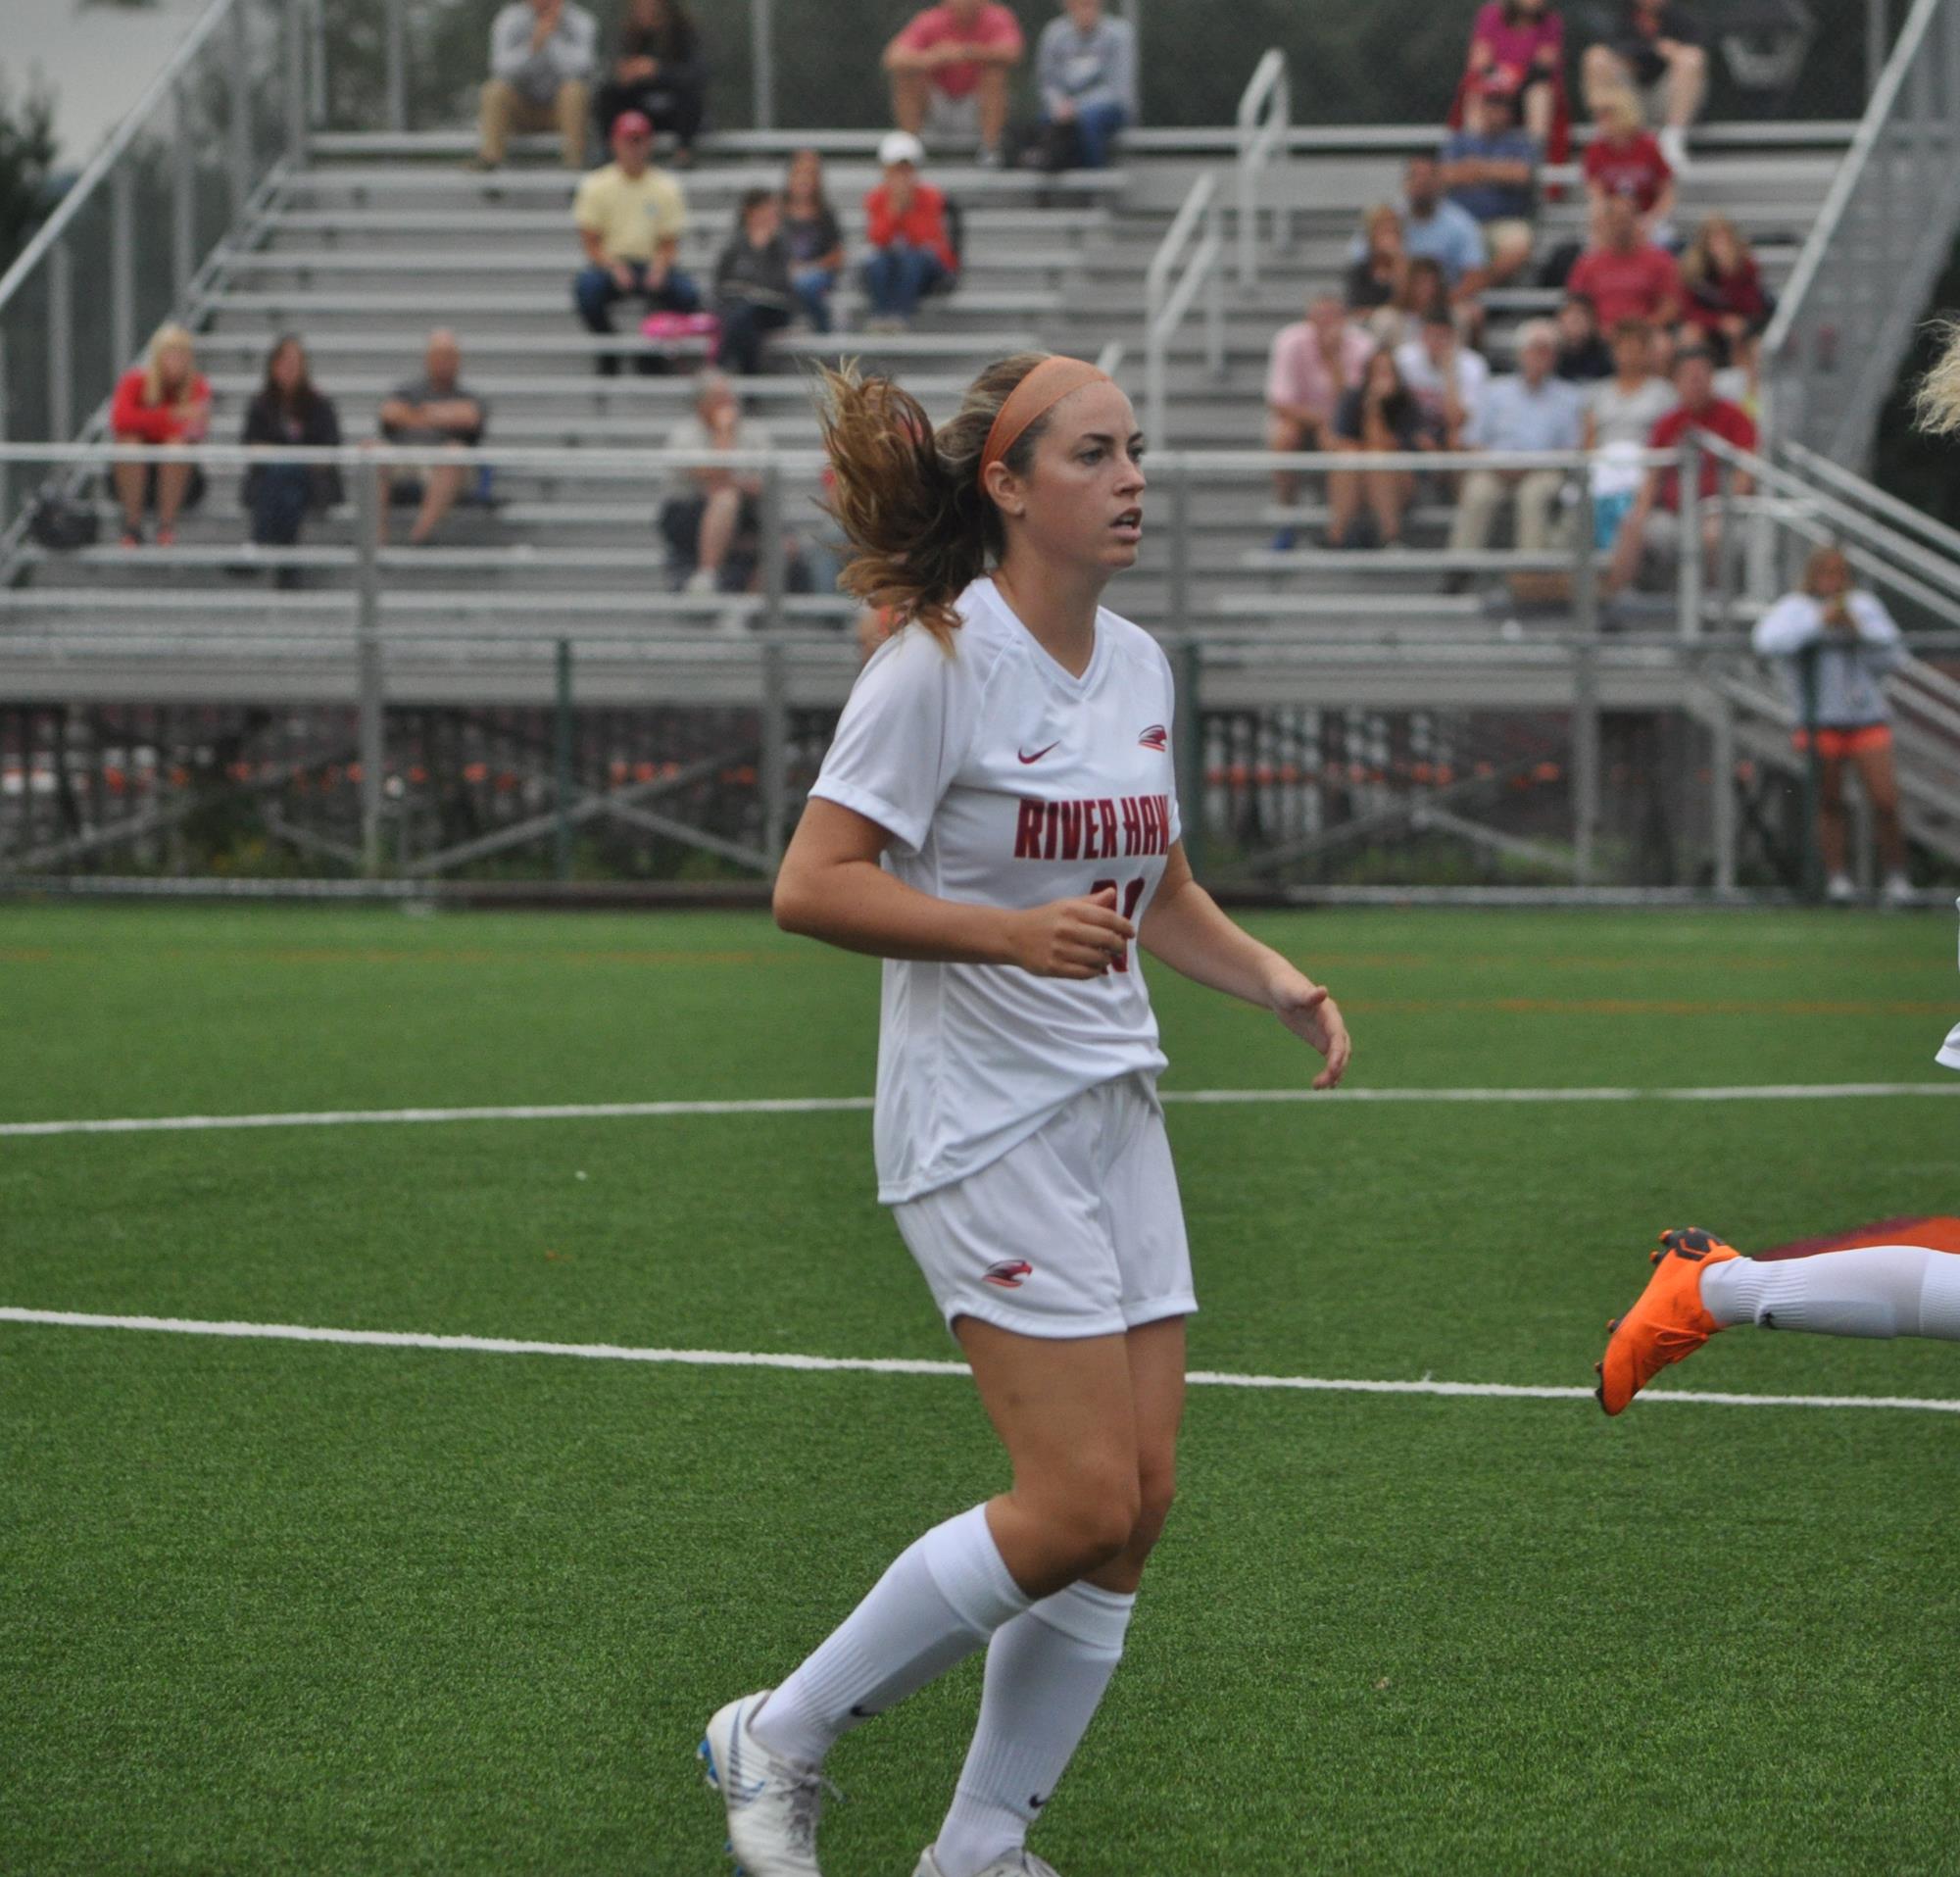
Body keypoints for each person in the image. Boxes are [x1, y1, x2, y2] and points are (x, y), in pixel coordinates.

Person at [699, 348, 1352, 1877]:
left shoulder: (1137, 663)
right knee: (1068, 1500)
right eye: (1092, 453)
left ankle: (979, 1847)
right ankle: (777, 1730)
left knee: (1139, 1503)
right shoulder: (935, 659)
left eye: (1136, 450)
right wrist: (1004, 929)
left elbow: (1157, 882)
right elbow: (811, 884)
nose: (1131, 478)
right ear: (1004, 482)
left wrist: (1267, 977)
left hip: (1112, 1105)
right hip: (978, 1123)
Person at [1750, 546, 1911, 905]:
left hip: (1866, 717)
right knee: (1830, 800)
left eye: (1838, 572)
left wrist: (1858, 629)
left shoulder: (1864, 606)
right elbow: (1766, 642)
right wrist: (1818, 623)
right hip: (1819, 720)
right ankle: (1838, 880)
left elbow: (1896, 656)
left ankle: (1897, 878)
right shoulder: (1795, 609)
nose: (1831, 579)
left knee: (1885, 800)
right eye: (1824, 571)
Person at [1606, 343, 1753, 594]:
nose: (1696, 383)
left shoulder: (1734, 417)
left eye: (1702, 376)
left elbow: (1746, 471)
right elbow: (1652, 475)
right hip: (1675, 514)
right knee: (1632, 525)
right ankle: (1614, 601)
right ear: (1677, 382)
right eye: (1689, 377)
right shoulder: (1669, 422)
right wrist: (1640, 513)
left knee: (1712, 535)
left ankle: (1710, 608)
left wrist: (1722, 505)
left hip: (1719, 511)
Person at [1446, 319, 1585, 569]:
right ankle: (1459, 569)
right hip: (1496, 467)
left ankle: (1530, 572)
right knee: (1477, 493)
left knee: (1533, 496)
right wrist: (1497, 464)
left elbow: (1572, 448)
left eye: (1547, 351)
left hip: (1544, 470)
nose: (1540, 357)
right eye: (1535, 350)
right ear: (1522, 353)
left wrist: (1531, 465)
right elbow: (1474, 440)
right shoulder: (1495, 391)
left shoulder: (1569, 397)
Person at [571, 110, 700, 375]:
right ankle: (608, 345)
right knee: (586, 288)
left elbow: (669, 242)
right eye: (629, 141)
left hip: (650, 263)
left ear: (649, 144)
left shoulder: (665, 186)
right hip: (612, 263)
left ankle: (654, 346)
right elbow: (591, 244)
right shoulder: (596, 185)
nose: (634, 148)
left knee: (688, 294)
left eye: (639, 140)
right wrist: (613, 266)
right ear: (615, 143)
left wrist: (660, 266)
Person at [1265, 294, 1374, 544]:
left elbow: (1354, 405)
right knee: (1283, 436)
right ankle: (1287, 515)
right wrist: (1321, 421)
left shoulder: (1362, 346)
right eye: (1320, 317)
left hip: (1347, 423)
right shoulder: (1289, 341)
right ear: (1309, 320)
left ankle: (1346, 526)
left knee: (1345, 447)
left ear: (1344, 319)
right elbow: (1280, 402)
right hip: (1305, 420)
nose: (1327, 324)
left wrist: (1334, 359)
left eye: (1333, 317)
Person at [658, 369, 775, 594]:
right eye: (720, 398)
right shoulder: (683, 434)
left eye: (730, 397)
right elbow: (713, 475)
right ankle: (707, 575)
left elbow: (761, 485)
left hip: (747, 510)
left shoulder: (754, 432)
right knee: (725, 499)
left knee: (783, 546)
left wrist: (729, 483)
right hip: (687, 512)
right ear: (701, 404)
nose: (730, 403)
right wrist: (723, 432)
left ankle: (746, 611)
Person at [238, 336, 343, 570]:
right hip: (272, 484)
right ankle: (289, 563)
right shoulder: (261, 404)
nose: (290, 369)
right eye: (284, 362)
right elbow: (250, 446)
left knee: (286, 473)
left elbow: (329, 451)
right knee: (288, 491)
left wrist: (286, 457)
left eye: (295, 363)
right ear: (273, 366)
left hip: (314, 483)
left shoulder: (320, 404)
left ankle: (258, 541)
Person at [376, 329, 489, 546]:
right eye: (438, 355)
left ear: (457, 360)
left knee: (454, 453)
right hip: (407, 459)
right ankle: (375, 541)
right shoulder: (409, 390)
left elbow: (471, 416)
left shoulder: (468, 395)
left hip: (446, 468)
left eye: (449, 356)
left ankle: (418, 536)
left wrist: (418, 414)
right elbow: (389, 413)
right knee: (372, 451)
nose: (443, 362)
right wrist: (443, 415)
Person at [884, 0, 1026, 168]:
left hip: (978, 109)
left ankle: (990, 149)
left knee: (994, 73)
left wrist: (969, 52)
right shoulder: (930, 20)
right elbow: (892, 58)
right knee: (907, 76)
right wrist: (933, 58)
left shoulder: (997, 17)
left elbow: (1014, 53)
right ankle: (910, 149)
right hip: (936, 106)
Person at [110, 323, 211, 548]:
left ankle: (166, 526)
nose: (175, 361)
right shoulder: (135, 382)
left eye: (181, 355)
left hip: (181, 475)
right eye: (169, 354)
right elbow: (120, 420)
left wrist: (150, 422)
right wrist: (173, 416)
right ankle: (132, 526)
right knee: (130, 445)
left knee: (175, 447)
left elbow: (196, 430)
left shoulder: (197, 386)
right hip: (134, 472)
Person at [1581, 0, 1706, 173]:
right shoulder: (1620, 15)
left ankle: (1672, 139)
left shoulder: (1680, 16)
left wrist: (1673, 51)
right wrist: (1649, 49)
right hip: (1628, 99)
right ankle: (1607, 137)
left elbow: (1697, 49)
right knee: (1596, 57)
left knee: (1692, 58)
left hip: (1665, 101)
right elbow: (1611, 46)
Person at [1327, 345, 1430, 550]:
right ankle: (1336, 536)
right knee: (1349, 458)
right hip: (1359, 480)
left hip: (1400, 482)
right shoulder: (1353, 400)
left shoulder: (1406, 404)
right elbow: (1342, 443)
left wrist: (1374, 408)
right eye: (1377, 372)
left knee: (1379, 459)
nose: (1382, 378)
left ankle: (1391, 537)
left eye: (1387, 372)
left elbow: (1385, 444)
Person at [1582, 318, 1673, 546]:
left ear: (1646, 353)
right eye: (1623, 349)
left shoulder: (1662, 393)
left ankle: (1619, 563)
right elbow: (1589, 439)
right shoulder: (1599, 392)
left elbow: (1666, 438)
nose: (1629, 356)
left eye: (1635, 349)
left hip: (1643, 470)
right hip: (1603, 467)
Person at [1439, 82, 1541, 289]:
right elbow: (1446, 175)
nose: (1496, 111)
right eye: (1491, 104)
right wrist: (1498, 172)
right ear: (1480, 107)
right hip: (1462, 221)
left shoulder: (1520, 142)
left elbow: (1521, 174)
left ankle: (1475, 287)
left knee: (1519, 243)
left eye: (1502, 105)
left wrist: (1477, 169)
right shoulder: (1461, 141)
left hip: (1505, 221)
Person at [477, 0, 597, 170]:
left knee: (575, 91)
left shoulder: (581, 21)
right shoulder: (509, 19)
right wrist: (532, 48)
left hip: (562, 114)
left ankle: (575, 165)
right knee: (494, 91)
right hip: (522, 111)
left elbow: (582, 69)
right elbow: (500, 68)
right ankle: (489, 162)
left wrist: (551, 39)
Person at [1353, 156, 1490, 303]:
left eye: (1428, 177)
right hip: (1392, 302)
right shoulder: (1388, 218)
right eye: (1415, 176)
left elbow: (1475, 275)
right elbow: (1358, 259)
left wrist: (1441, 307)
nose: (1421, 182)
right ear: (1405, 182)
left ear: (1440, 181)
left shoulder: (1461, 224)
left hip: (1445, 302)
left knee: (1468, 314)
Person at [860, 130, 958, 332]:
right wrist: (894, 210)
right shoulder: (877, 198)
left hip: (926, 265)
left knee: (912, 258)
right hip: (892, 261)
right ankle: (880, 315)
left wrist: (908, 208)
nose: (902, 177)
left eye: (906, 170)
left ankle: (900, 316)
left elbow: (925, 238)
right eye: (896, 170)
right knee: (878, 262)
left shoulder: (930, 197)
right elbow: (878, 238)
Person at [593, 0, 705, 163]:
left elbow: (697, 74)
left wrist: (657, 71)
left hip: (675, 111)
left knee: (690, 94)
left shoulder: (684, 32)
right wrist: (625, 74)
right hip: (641, 109)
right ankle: (612, 152)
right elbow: (608, 71)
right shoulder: (628, 34)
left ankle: (684, 153)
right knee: (608, 94)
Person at [1034, 0, 1137, 172]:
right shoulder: (1054, 33)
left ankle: (1095, 184)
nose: (1084, 8)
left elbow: (1119, 90)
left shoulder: (1119, 33)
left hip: (1109, 108)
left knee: (1088, 122)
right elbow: (1047, 81)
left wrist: (1078, 107)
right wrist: (1058, 104)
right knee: (1045, 123)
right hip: (1064, 109)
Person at [1565, 191, 1683, 330]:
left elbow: (1671, 306)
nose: (1620, 227)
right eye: (1615, 221)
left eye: (1625, 220)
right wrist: (1598, 331)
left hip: (1647, 335)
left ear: (1636, 220)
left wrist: (1641, 331)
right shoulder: (1587, 264)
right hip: (1598, 337)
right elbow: (1576, 305)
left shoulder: (1660, 260)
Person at [714, 188, 795, 375]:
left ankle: (718, 366)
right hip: (741, 311)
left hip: (774, 309)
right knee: (744, 321)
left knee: (743, 315)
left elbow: (780, 285)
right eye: (765, 209)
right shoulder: (734, 245)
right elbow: (720, 284)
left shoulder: (781, 245)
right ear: (750, 212)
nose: (770, 215)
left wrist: (765, 248)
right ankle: (750, 382)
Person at [1582, 85, 1675, 244]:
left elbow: (1666, 193)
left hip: (1646, 216)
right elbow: (1597, 196)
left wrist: (1650, 220)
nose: (1600, 121)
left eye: (1606, 115)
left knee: (1663, 240)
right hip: (1613, 218)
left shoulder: (1648, 145)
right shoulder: (1596, 149)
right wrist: (1608, 222)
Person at [1464, 0, 1564, 145]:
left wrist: (1513, 78)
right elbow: (1479, 60)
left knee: (1540, 94)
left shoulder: (1551, 21)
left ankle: (1534, 154)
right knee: (1475, 94)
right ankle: (1474, 152)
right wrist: (1504, 80)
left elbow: (1544, 64)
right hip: (1494, 84)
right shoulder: (1491, 14)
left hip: (1528, 85)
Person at [1678, 215, 1773, 367]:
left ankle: (1742, 385)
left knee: (1746, 339)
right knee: (1689, 334)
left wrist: (1730, 274)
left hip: (1739, 324)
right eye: (1713, 240)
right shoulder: (1693, 268)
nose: (1719, 245)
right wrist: (1717, 322)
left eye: (1724, 240)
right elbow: (1688, 310)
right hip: (1708, 323)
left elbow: (1752, 307)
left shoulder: (1746, 265)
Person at [1396, 309, 1491, 449]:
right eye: (1430, 335)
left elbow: (1457, 421)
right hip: (1413, 434)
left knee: (1456, 438)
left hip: (1454, 440)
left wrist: (1448, 373)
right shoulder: (1403, 359)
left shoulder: (1472, 366)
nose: (1435, 342)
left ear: (1453, 338)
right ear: (1421, 336)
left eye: (1441, 336)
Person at [781, 149, 846, 334]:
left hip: (817, 275)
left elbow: (838, 256)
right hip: (783, 273)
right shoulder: (778, 213)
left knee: (805, 283)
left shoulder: (825, 215)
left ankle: (821, 328)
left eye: (809, 174)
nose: (804, 180)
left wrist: (810, 267)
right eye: (800, 173)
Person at [1345, 205, 1408, 320]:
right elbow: (1356, 309)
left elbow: (1411, 306)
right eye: (1383, 232)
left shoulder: (1411, 268)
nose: (1388, 238)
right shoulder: (1361, 270)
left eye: (1393, 231)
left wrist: (1398, 264)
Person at [1553, 290, 1613, 382]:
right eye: (1570, 314)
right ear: (1559, 320)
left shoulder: (1606, 356)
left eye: (1581, 314)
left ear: (1593, 321)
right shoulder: (1550, 354)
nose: (1575, 319)